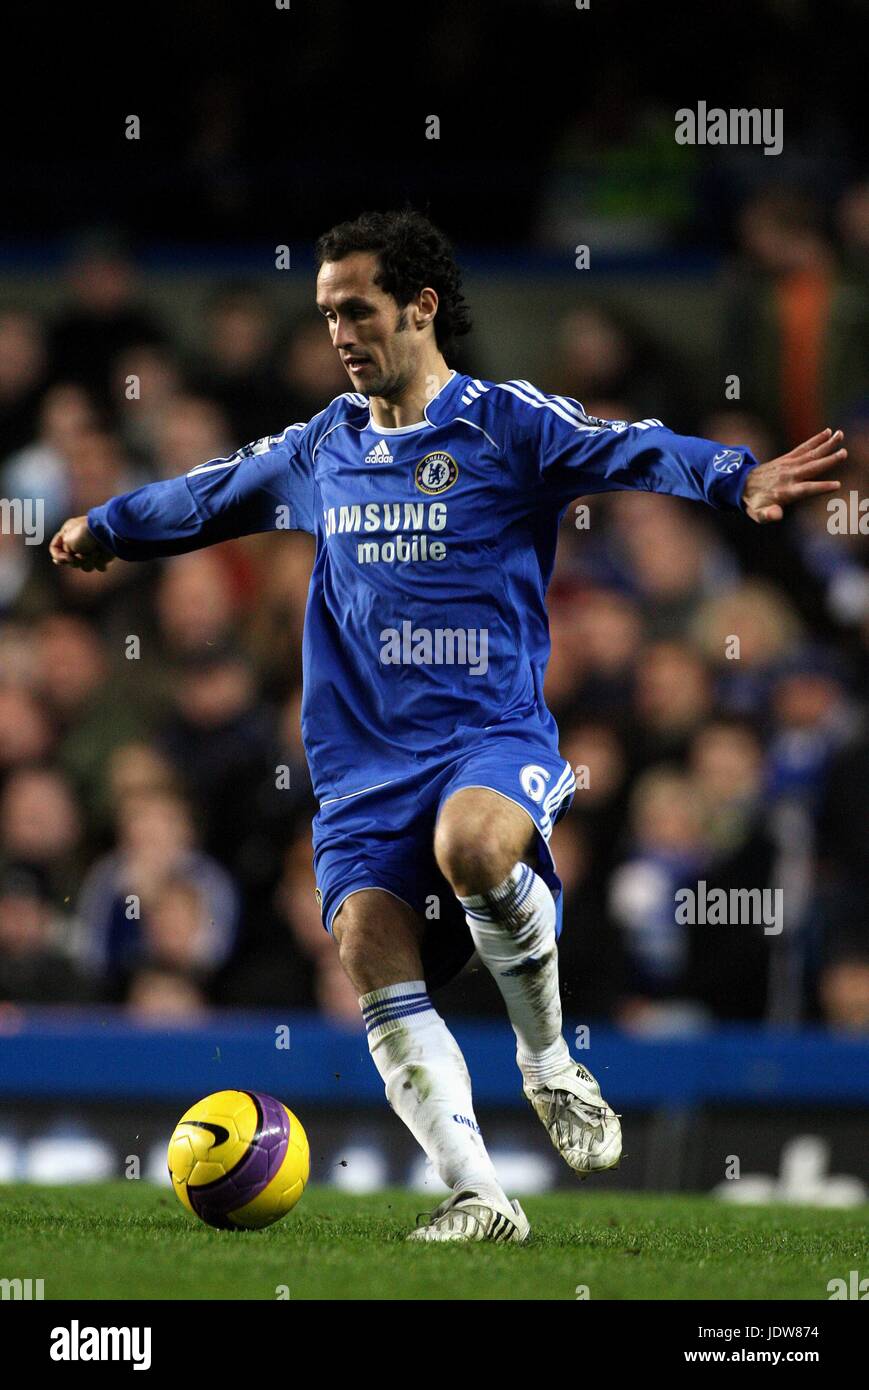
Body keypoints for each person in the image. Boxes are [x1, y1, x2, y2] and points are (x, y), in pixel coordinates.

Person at [50, 209, 846, 1244]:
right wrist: (107, 525)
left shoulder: (503, 424)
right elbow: (206, 497)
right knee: (366, 947)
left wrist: (736, 478)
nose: (338, 331)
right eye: (326, 312)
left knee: (471, 845)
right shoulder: (319, 446)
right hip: (357, 771)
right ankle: (479, 1191)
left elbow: (627, 447)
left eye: (358, 309)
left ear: (420, 307)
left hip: (487, 736)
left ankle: (548, 1060)